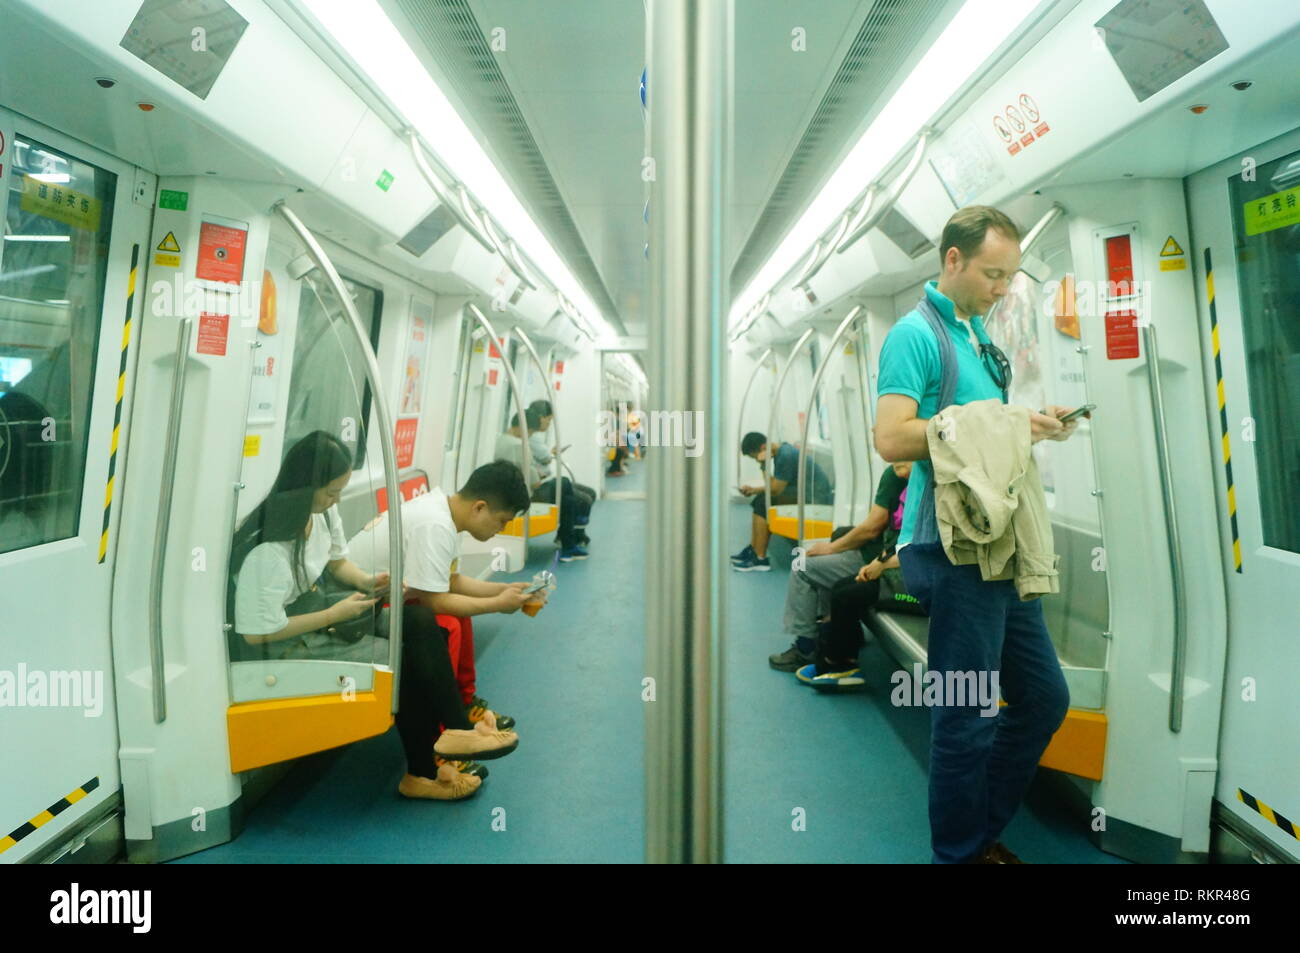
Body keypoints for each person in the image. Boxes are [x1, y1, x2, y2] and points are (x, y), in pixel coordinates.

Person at [875, 205, 1081, 864]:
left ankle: (975, 832)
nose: (1001, 288)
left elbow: (982, 426)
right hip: (951, 546)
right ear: (953, 260)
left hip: (998, 545)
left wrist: (1027, 421)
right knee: (966, 713)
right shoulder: (916, 335)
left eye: (1010, 277)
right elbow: (892, 437)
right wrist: (998, 423)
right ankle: (961, 853)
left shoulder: (979, 336)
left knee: (1044, 697)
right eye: (992, 274)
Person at [230, 431, 518, 802]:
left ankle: (458, 730)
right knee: (404, 661)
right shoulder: (267, 551)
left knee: (417, 623)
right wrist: (334, 613)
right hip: (289, 642)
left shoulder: (319, 513)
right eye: (331, 492)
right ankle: (422, 772)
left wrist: (369, 581)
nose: (335, 501)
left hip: (325, 607)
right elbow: (258, 635)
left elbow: (336, 563)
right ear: (304, 487)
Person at [349, 459, 541, 733]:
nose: (501, 529)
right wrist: (499, 605)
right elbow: (434, 601)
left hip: (384, 596)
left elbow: (451, 580)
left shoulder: (448, 513)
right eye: (501, 522)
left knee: (460, 616)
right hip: (358, 609)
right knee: (446, 625)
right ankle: (443, 731)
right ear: (480, 507)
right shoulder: (435, 524)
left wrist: (505, 590)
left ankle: (461, 703)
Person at [767, 461, 911, 672]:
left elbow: (873, 528)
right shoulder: (917, 474)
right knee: (834, 553)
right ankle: (839, 634)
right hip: (886, 551)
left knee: (803, 567)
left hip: (881, 558)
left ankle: (806, 648)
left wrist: (832, 548)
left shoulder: (895, 473)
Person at [731, 431, 833, 572]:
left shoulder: (785, 456)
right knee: (759, 500)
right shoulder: (782, 451)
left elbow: (775, 491)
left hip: (814, 497)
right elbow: (776, 486)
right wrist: (754, 490)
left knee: (763, 503)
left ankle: (760, 559)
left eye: (755, 457)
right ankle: (754, 549)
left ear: (762, 448)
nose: (756, 460)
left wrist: (763, 465)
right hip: (802, 492)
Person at [496, 411, 589, 560]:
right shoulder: (519, 445)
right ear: (522, 428)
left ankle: (568, 545)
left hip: (512, 490)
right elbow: (535, 482)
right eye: (529, 432)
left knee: (568, 499)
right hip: (527, 494)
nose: (529, 436)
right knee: (565, 486)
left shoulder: (502, 440)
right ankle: (568, 545)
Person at [527, 399, 596, 532]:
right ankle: (573, 535)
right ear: (540, 418)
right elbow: (546, 458)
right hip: (540, 488)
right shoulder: (533, 437)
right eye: (548, 420)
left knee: (588, 494)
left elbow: (543, 456)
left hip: (545, 482)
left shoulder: (535, 437)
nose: (548, 424)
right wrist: (550, 454)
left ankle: (575, 533)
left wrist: (550, 453)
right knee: (582, 499)